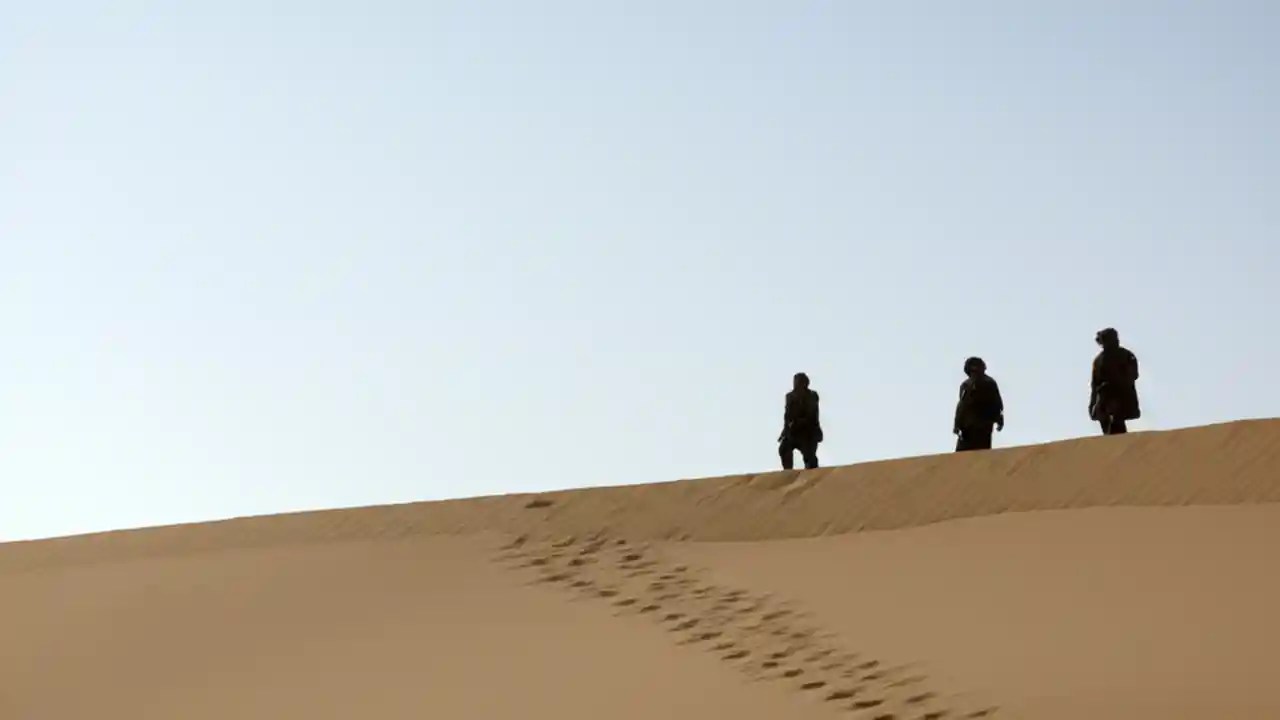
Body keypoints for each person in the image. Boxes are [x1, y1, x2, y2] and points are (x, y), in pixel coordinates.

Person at [1090, 327, 1140, 435]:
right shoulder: (1099, 360)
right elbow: (1094, 384)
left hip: (1122, 395)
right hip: (1105, 398)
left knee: (1117, 423)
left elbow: (1134, 375)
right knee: (1109, 425)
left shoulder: (1126, 355)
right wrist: (1093, 403)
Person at [953, 356, 1004, 451]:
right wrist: (957, 424)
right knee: (964, 454)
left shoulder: (989, 383)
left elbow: (997, 402)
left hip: (983, 425)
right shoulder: (966, 385)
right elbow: (962, 405)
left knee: (982, 452)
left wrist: (999, 418)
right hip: (968, 427)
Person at [778, 372, 822, 469]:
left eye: (799, 382)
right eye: (795, 382)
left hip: (808, 432)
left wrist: (801, 422)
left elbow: (813, 414)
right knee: (784, 449)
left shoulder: (812, 396)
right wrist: (785, 431)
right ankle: (788, 473)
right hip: (793, 431)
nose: (796, 384)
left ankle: (812, 477)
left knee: (810, 458)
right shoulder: (790, 396)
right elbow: (787, 415)